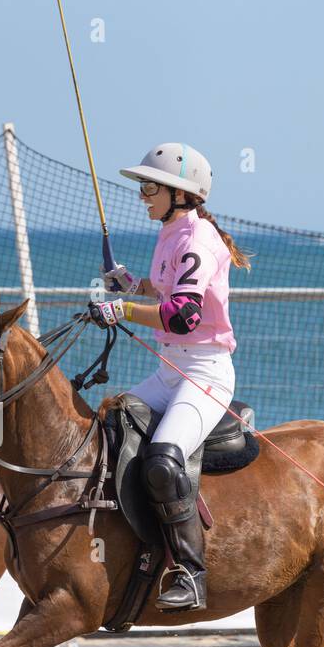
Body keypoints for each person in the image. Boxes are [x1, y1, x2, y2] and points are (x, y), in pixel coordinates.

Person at [90, 142, 249, 611]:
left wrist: (122, 308)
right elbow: (164, 293)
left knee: (162, 459)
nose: (142, 194)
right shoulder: (172, 231)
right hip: (169, 371)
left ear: (181, 193)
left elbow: (181, 316)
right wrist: (130, 285)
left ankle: (190, 572)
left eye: (149, 186)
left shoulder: (198, 238)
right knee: (104, 432)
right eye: (142, 186)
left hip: (204, 374)